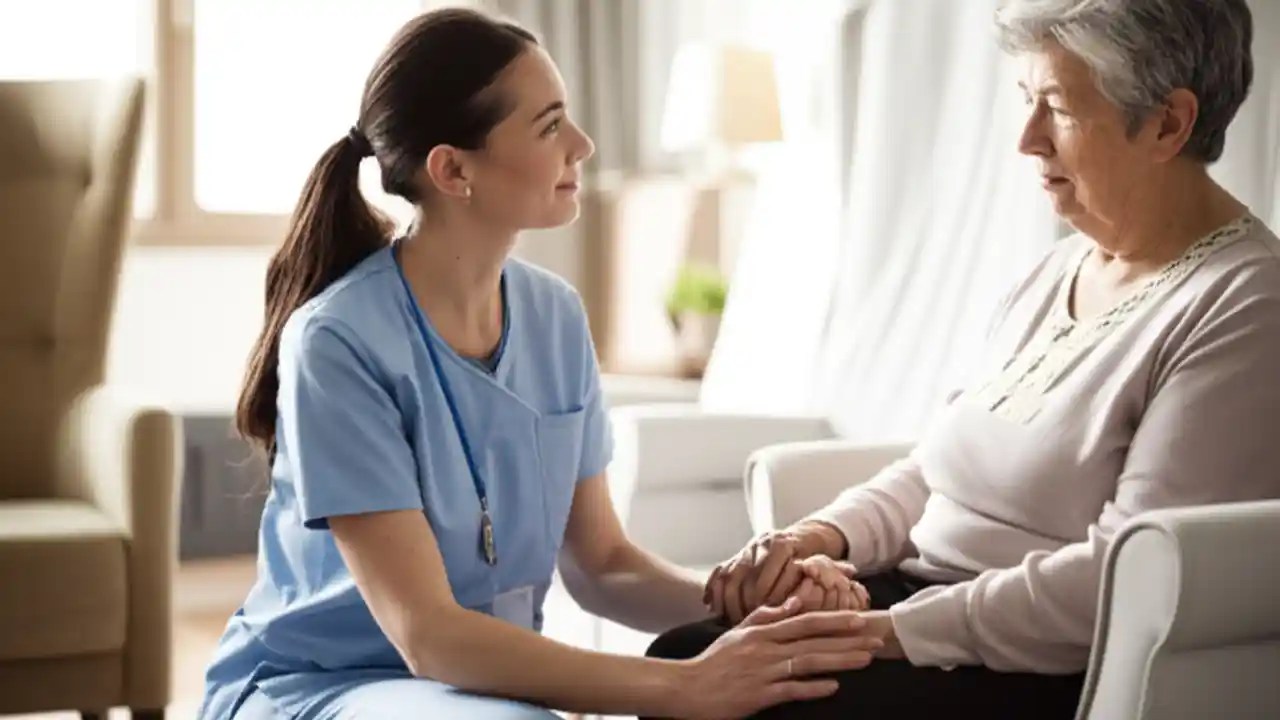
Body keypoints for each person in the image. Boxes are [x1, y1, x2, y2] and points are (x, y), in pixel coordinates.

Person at [197, 9, 880, 720]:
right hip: (319, 686)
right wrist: (687, 685)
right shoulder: (338, 341)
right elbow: (427, 635)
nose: (582, 145)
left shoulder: (554, 315)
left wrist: (750, 600)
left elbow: (603, 565)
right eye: (551, 126)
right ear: (453, 169)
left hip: (470, 688)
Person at [649, 0, 1280, 718]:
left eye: (1058, 108)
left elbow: (1123, 576)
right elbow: (936, 468)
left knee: (715, 693)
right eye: (1024, 101)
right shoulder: (1056, 272)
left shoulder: (1245, 303)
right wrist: (818, 540)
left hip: (1025, 663)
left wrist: (878, 632)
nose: (1027, 139)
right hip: (919, 608)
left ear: (1168, 122)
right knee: (685, 656)